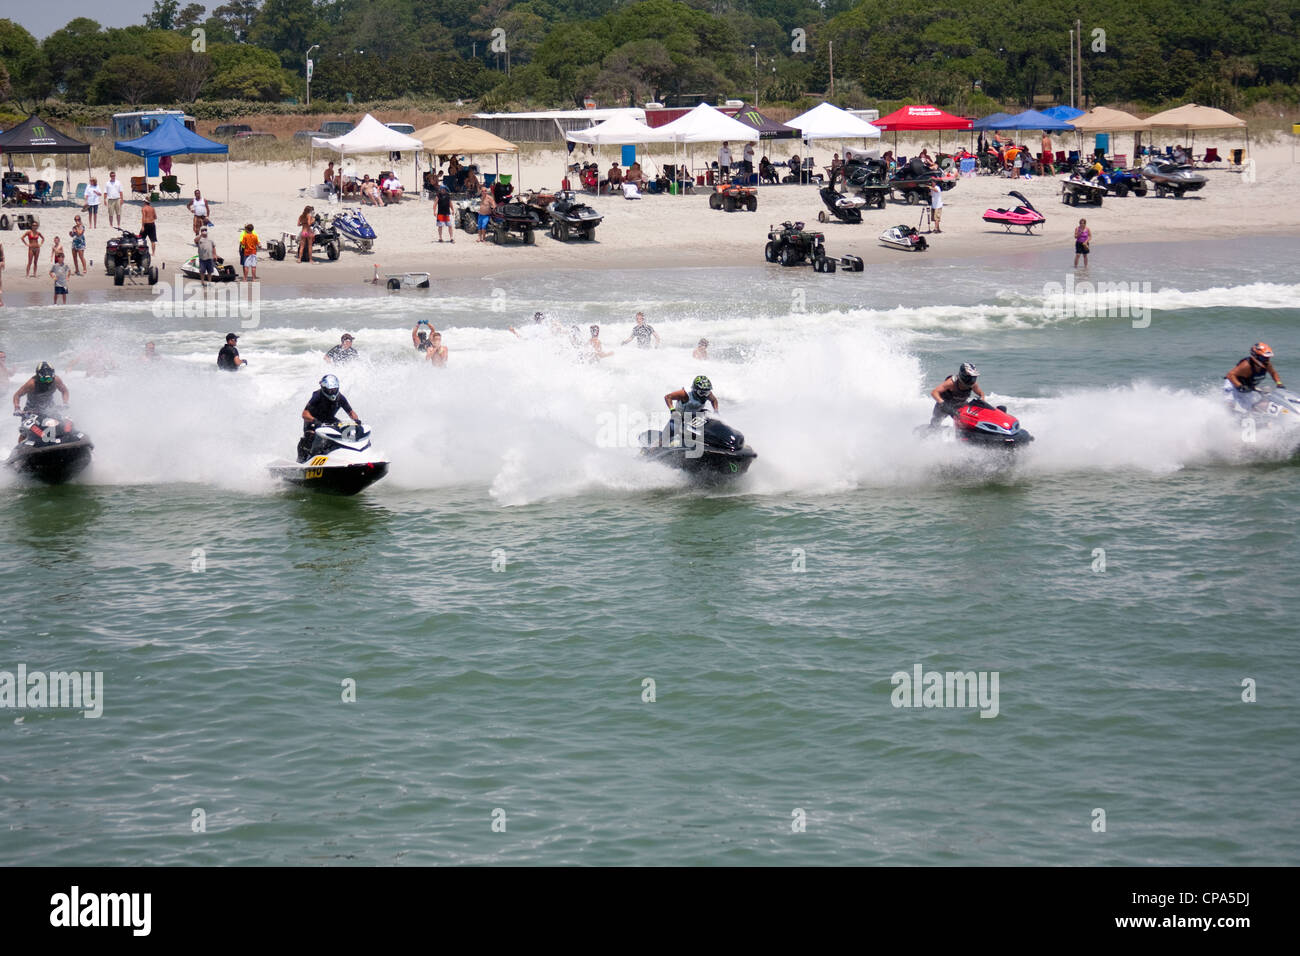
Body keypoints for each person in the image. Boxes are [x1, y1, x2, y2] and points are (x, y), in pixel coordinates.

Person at [298, 373, 361, 462]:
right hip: (313, 421)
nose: (333, 392)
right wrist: (315, 421)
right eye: (330, 390)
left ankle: (349, 455)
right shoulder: (317, 395)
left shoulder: (340, 397)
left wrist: (356, 420)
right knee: (310, 436)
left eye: (334, 389)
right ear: (324, 389)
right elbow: (305, 414)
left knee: (345, 430)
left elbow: (351, 412)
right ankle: (302, 460)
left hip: (329, 420)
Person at [1223, 343, 1283, 413]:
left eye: (1267, 358)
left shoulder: (1266, 364)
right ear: (1255, 356)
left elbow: (1273, 373)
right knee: (1229, 405)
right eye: (1263, 358)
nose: (1266, 360)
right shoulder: (1246, 365)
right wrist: (1239, 386)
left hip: (1247, 387)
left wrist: (1279, 383)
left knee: (1253, 407)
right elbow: (1230, 375)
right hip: (1232, 384)